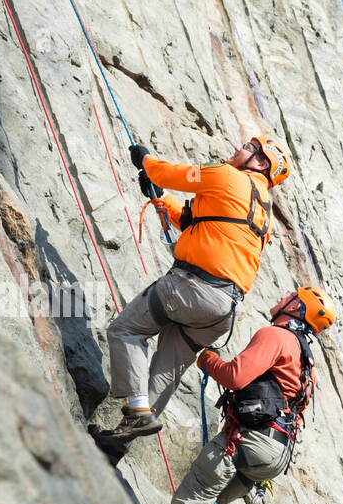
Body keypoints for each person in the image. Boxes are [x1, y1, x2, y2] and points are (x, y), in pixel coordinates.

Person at [158, 286, 335, 504]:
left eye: (290, 295)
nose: (281, 295)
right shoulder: (307, 363)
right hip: (274, 454)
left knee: (190, 501)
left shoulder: (276, 336)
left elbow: (234, 376)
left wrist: (204, 356)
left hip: (248, 441)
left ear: (297, 306)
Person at [99, 135, 290, 448]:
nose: (237, 148)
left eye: (248, 147)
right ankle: (116, 447)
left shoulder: (226, 176)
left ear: (259, 163)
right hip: (222, 311)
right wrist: (160, 197)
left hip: (193, 288)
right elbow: (195, 222)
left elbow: (170, 173)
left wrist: (145, 160)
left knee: (126, 330)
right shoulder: (261, 209)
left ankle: (136, 409)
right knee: (166, 372)